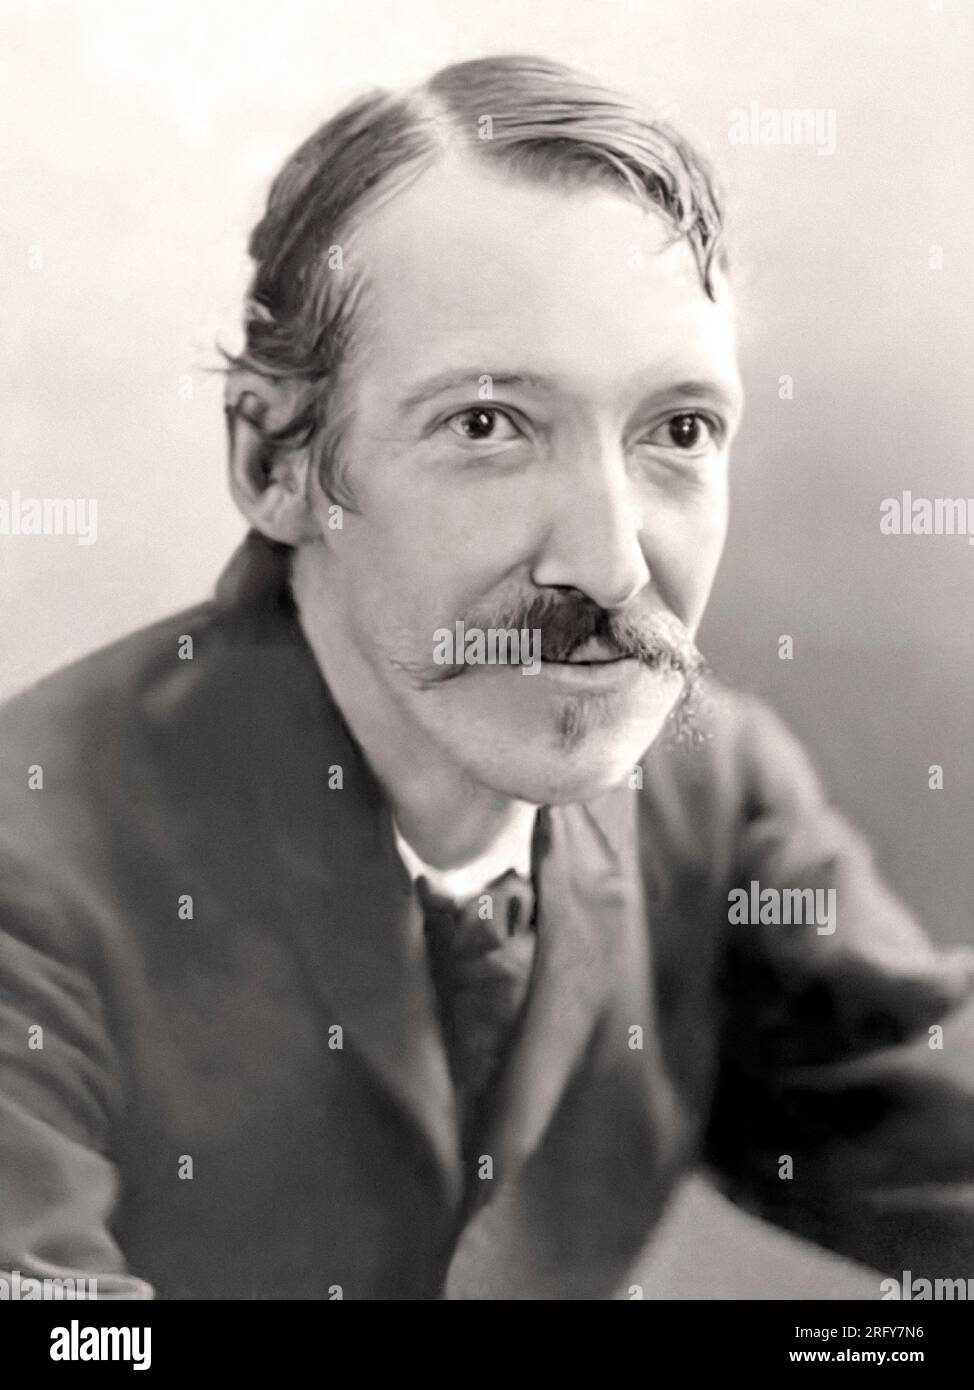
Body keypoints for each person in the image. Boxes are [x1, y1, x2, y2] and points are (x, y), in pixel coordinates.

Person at [1, 54, 972, 1301]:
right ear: (273, 462)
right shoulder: (33, 864)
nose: (610, 563)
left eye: (676, 431)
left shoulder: (708, 797)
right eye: (486, 425)